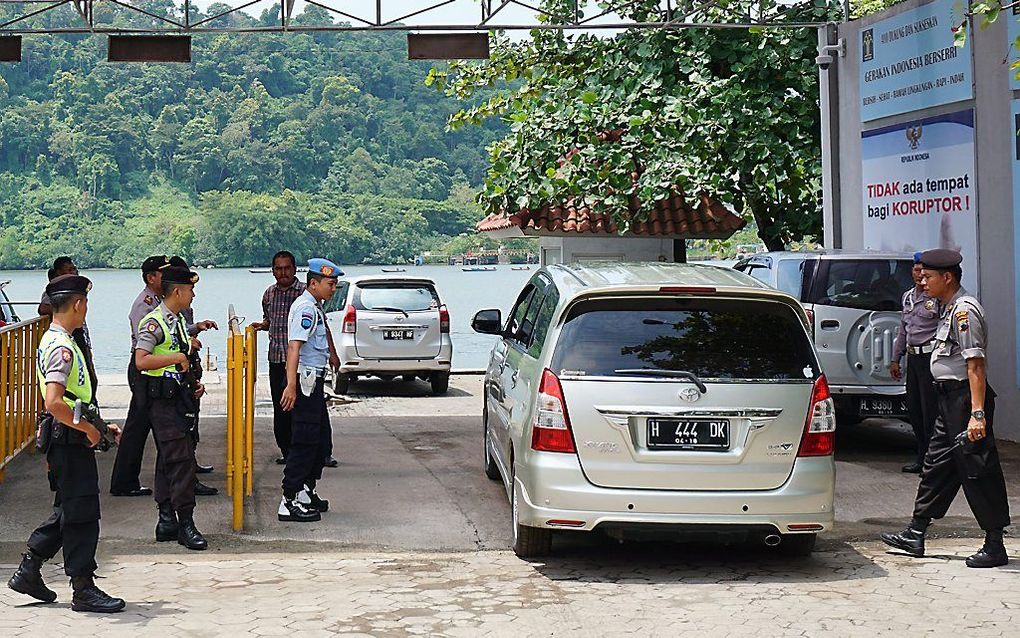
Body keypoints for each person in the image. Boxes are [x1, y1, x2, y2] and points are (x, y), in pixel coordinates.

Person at [881, 249, 1011, 568]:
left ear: (947, 278)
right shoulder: (947, 307)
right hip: (947, 399)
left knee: (978, 468)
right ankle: (916, 532)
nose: (922, 282)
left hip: (965, 400)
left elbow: (976, 365)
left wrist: (977, 414)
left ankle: (995, 544)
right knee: (937, 463)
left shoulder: (965, 310)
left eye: (928, 277)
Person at [7, 274, 126, 613]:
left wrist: (99, 427)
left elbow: (76, 399)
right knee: (83, 514)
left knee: (69, 509)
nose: (86, 308)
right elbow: (54, 401)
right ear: (77, 304)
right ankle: (83, 588)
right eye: (85, 302)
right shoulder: (62, 346)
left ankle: (30, 568)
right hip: (69, 440)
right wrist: (87, 431)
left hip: (68, 436)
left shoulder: (58, 340)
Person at [135, 266, 208, 550]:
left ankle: (167, 520)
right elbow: (141, 360)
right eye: (190, 289)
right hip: (162, 403)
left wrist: (193, 383)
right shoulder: (153, 323)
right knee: (181, 462)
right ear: (177, 291)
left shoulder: (176, 321)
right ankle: (185, 522)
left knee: (169, 459)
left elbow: (181, 360)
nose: (192, 294)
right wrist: (177, 356)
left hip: (178, 398)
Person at [278, 258, 342, 522]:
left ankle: (306, 489)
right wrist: (291, 386)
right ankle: (289, 499)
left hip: (313, 381)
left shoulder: (315, 306)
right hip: (304, 382)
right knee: (304, 441)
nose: (333, 289)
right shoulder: (306, 308)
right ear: (313, 283)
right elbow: (294, 347)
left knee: (320, 441)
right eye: (330, 284)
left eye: (335, 284)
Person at [109, 255, 169, 497]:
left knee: (141, 426)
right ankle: (123, 482)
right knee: (136, 427)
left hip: (149, 368)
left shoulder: (158, 300)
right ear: (151, 277)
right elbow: (147, 343)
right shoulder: (144, 305)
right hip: (144, 368)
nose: (167, 278)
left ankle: (125, 481)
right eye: (163, 274)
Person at [168, 255, 219, 495]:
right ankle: (185, 482)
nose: (193, 294)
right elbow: (146, 355)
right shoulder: (161, 315)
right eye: (190, 289)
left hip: (185, 374)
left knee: (189, 428)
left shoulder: (178, 313)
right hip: (171, 381)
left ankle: (190, 473)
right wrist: (187, 346)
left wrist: (196, 328)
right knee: (178, 435)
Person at [889, 252, 941, 474]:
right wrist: (895, 358)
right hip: (913, 358)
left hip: (930, 357)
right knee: (914, 410)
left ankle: (932, 461)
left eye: (924, 271)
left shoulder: (936, 298)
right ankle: (921, 457)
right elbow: (903, 329)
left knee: (930, 411)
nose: (920, 274)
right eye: (916, 269)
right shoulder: (908, 297)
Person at [37, 257, 98, 399]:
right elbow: (53, 401)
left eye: (74, 269)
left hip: (78, 336)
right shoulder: (60, 346)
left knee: (89, 377)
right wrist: (63, 308)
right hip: (69, 418)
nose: (74, 272)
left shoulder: (55, 338)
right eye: (69, 270)